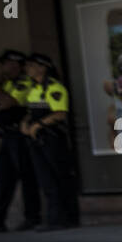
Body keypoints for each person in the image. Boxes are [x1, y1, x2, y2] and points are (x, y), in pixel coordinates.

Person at [0, 49, 39, 235]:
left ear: (14, 65)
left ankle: (32, 217)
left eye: (3, 64)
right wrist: (0, 101)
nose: (0, 68)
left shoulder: (24, 83)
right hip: (6, 138)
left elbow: (10, 103)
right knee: (2, 180)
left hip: (20, 136)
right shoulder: (6, 85)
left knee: (28, 178)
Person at [21, 53, 79, 231]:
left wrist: (37, 126)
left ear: (43, 67)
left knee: (60, 178)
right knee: (46, 180)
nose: (27, 69)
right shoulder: (32, 89)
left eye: (31, 65)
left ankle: (67, 218)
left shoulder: (55, 88)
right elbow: (32, 111)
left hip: (53, 139)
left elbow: (60, 113)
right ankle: (54, 219)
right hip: (36, 140)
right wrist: (25, 123)